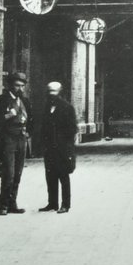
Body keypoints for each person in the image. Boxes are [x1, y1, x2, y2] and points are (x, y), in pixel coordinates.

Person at [0, 72, 31, 215]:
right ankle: (3, 205)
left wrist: (29, 132)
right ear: (10, 85)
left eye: (23, 86)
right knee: (8, 174)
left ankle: (13, 204)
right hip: (7, 139)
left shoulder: (25, 101)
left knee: (17, 174)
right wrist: (7, 116)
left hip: (21, 139)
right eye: (17, 85)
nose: (20, 89)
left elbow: (32, 119)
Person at [35, 81, 78, 213]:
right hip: (49, 149)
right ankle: (52, 203)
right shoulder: (46, 107)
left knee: (63, 176)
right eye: (49, 91)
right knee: (50, 176)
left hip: (62, 149)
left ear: (60, 92)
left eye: (54, 91)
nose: (51, 94)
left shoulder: (67, 107)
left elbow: (72, 130)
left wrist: (66, 146)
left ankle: (65, 204)